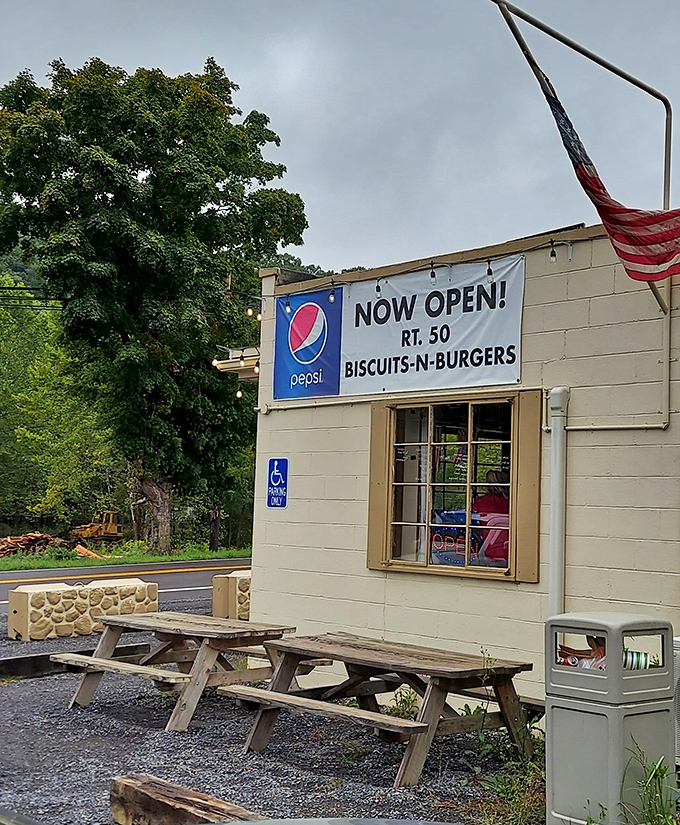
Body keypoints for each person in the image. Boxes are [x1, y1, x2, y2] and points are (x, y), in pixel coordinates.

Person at [471, 470, 509, 567]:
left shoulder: (480, 503)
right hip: (510, 550)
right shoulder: (511, 503)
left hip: (486, 549)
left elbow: (473, 526)